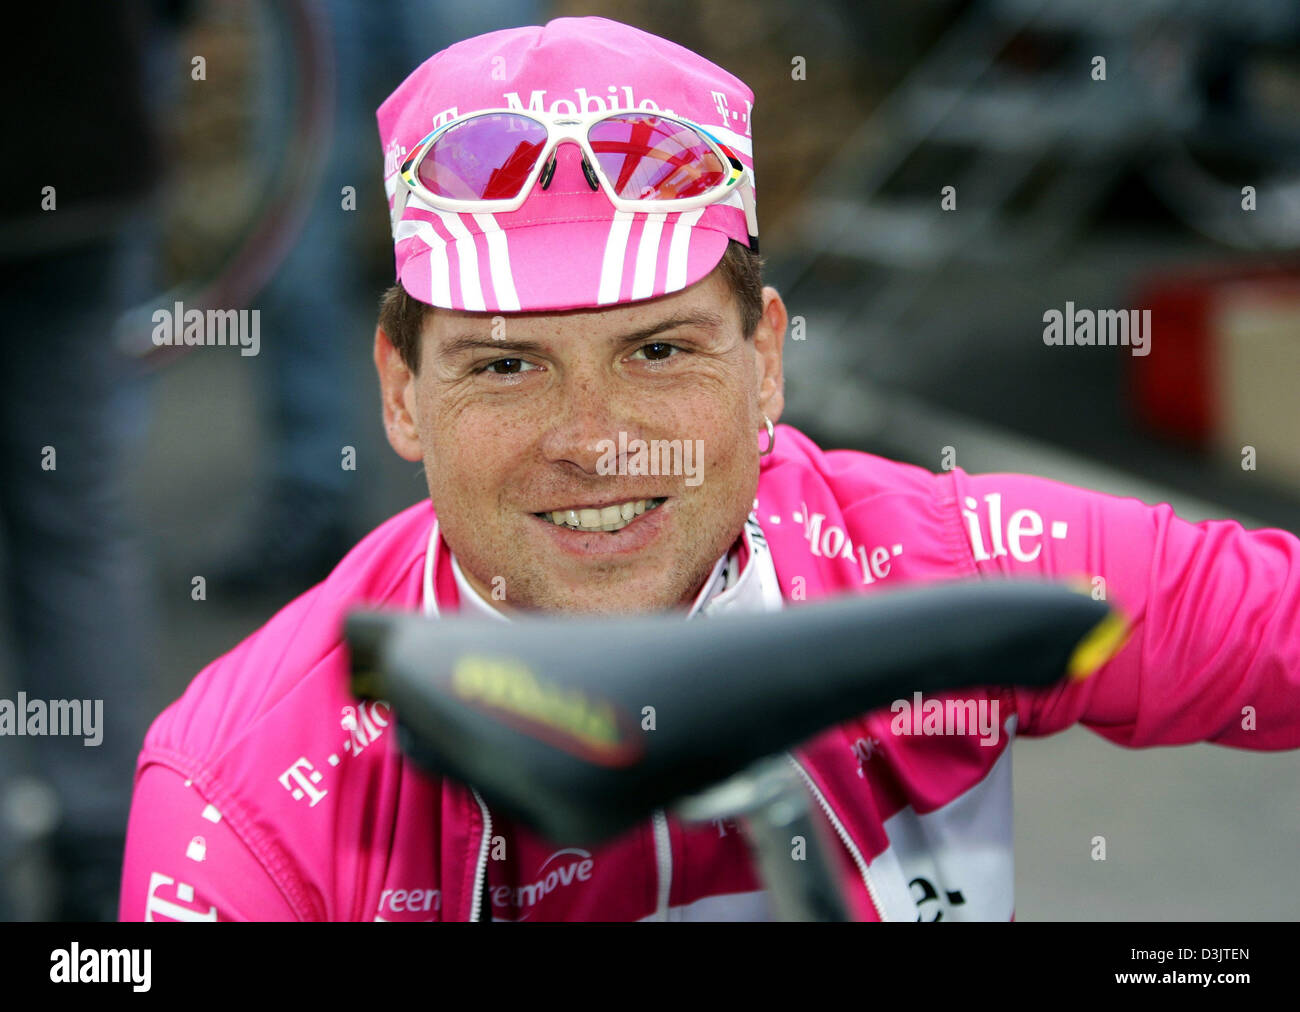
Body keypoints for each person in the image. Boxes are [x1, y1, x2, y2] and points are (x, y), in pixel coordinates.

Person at [119, 16, 1300, 922]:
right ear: (398, 391)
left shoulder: (936, 563)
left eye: (659, 348)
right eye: (506, 367)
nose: (595, 439)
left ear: (768, 360)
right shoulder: (243, 788)